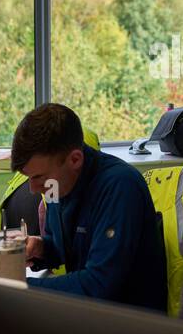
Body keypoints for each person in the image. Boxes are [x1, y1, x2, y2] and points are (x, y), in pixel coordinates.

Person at [12, 103, 166, 311]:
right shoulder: (57, 185)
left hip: (128, 327)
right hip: (90, 314)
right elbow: (63, 247)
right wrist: (40, 248)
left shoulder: (120, 186)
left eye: (38, 177)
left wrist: (17, 287)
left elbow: (99, 285)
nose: (32, 188)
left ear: (75, 159)